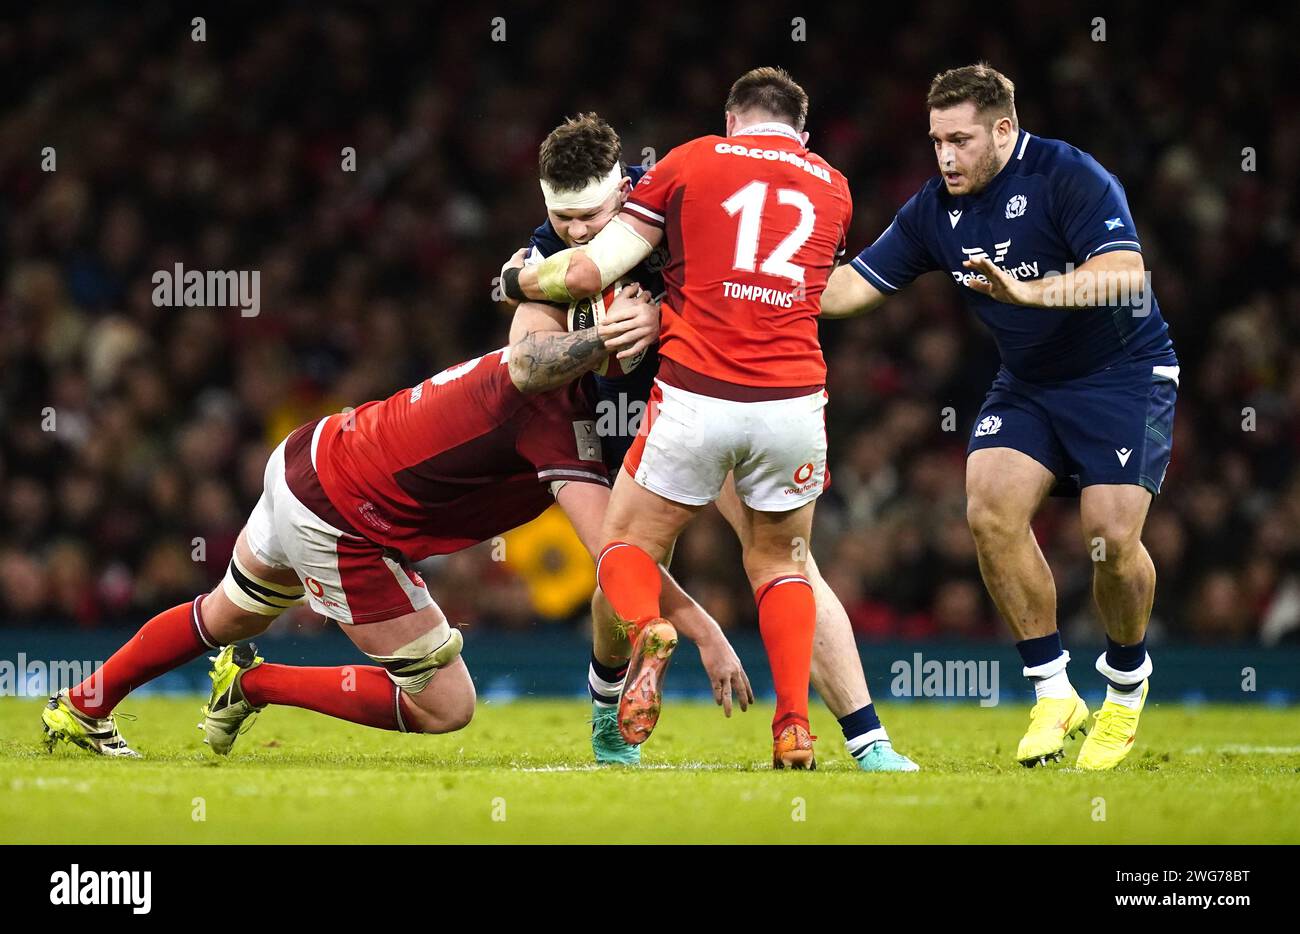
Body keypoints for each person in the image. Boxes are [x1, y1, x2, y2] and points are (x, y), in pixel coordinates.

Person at [41, 302, 736, 758]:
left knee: (224, 613)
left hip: (311, 458)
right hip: (341, 519)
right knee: (446, 705)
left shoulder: (540, 359)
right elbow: (613, 557)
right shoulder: (558, 419)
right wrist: (707, 631)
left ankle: (83, 703)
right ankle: (254, 687)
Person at [504, 111, 916, 771]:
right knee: (621, 566)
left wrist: (662, 317)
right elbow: (524, 364)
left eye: (591, 216)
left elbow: (753, 287)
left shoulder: (680, 195)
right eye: (563, 218)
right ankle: (612, 721)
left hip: (697, 397)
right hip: (597, 418)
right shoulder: (546, 250)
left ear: (624, 189)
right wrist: (599, 338)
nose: (578, 232)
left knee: (784, 558)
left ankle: (869, 739)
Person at [819, 63, 1177, 771]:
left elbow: (1126, 272)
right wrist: (749, 285)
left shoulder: (1068, 175)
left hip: (1126, 376)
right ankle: (1053, 692)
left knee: (1108, 535)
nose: (946, 156)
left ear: (1004, 130)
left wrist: (1031, 293)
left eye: (960, 139)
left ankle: (1126, 688)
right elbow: (849, 288)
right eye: (936, 141)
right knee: (988, 509)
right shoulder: (933, 210)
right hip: (1031, 383)